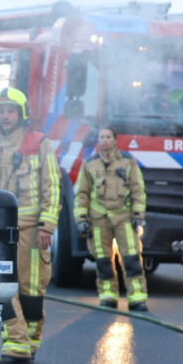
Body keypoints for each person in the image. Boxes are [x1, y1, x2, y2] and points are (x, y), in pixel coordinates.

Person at [0, 86, 60, 364]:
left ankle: (30, 342)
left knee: (32, 290)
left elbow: (52, 186)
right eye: (1, 111)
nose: (6, 115)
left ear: (21, 114)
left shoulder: (40, 143)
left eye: (11, 110)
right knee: (2, 287)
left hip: (33, 230)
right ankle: (17, 343)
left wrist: (47, 225)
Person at [73, 125, 148, 311]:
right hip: (99, 219)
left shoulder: (128, 162)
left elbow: (138, 189)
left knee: (131, 258)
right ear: (98, 141)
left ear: (115, 140)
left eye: (108, 137)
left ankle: (137, 298)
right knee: (103, 260)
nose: (105, 140)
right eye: (102, 137)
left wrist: (138, 215)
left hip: (124, 217)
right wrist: (81, 219)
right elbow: (82, 193)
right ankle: (108, 297)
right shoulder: (90, 164)